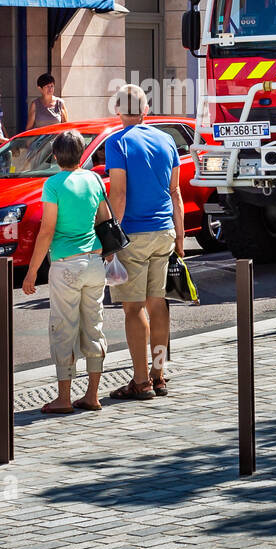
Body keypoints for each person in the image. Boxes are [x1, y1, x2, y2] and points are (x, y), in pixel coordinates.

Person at [103, 84, 184, 400]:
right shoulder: (166, 139)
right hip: (164, 231)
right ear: (146, 110)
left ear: (118, 111)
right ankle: (159, 374)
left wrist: (111, 239)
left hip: (133, 234)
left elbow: (118, 194)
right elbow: (175, 192)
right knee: (158, 303)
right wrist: (180, 234)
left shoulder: (117, 142)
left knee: (133, 307)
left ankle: (141, 381)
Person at [22, 130, 111, 413]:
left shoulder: (53, 184)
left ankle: (63, 398)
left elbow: (47, 231)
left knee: (64, 330)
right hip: (95, 261)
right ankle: (93, 394)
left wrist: (31, 271)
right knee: (93, 327)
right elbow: (105, 220)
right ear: (82, 153)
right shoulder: (95, 179)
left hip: (66, 264)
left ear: (56, 156)